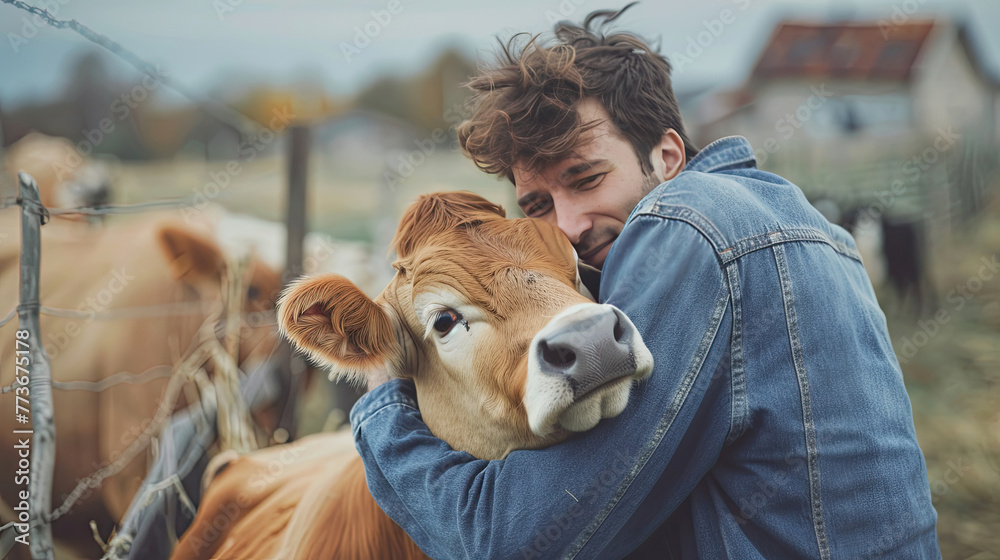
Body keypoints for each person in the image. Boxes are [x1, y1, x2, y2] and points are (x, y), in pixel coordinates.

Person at [349, 5, 941, 558]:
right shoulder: (799, 219)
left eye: (586, 178)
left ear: (666, 157)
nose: (569, 228)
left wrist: (384, 407)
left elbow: (519, 537)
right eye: (537, 205)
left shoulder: (686, 230)